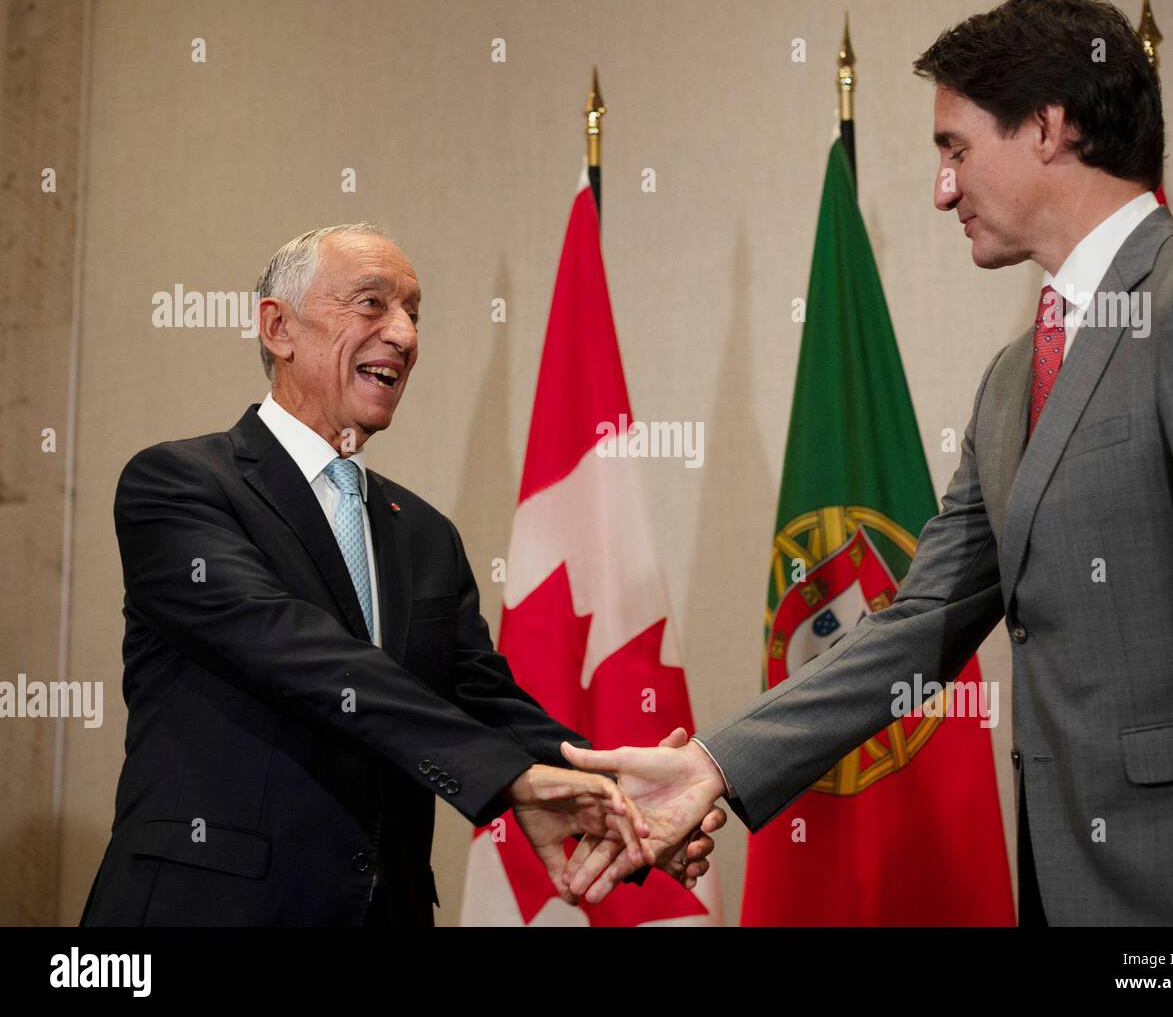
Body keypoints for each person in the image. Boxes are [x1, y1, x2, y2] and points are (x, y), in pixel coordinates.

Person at [560, 0, 1173, 927]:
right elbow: (918, 622)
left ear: (1047, 127)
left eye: (954, 147)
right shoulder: (1010, 380)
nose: (940, 187)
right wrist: (712, 765)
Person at [80, 223, 719, 926]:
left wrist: (616, 790)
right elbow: (294, 648)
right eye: (372, 304)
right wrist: (509, 777)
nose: (405, 336)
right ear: (277, 327)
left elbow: (483, 698)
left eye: (414, 313)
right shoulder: (179, 485)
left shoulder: (423, 534)